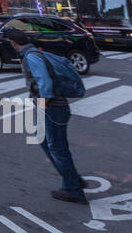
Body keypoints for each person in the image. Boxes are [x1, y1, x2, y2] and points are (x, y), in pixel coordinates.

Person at [6, 31, 89, 204]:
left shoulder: (31, 57)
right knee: (44, 140)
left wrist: (42, 108)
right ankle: (73, 179)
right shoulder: (36, 53)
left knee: (57, 149)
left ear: (13, 43)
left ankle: (74, 190)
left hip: (52, 108)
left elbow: (46, 85)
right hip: (51, 107)